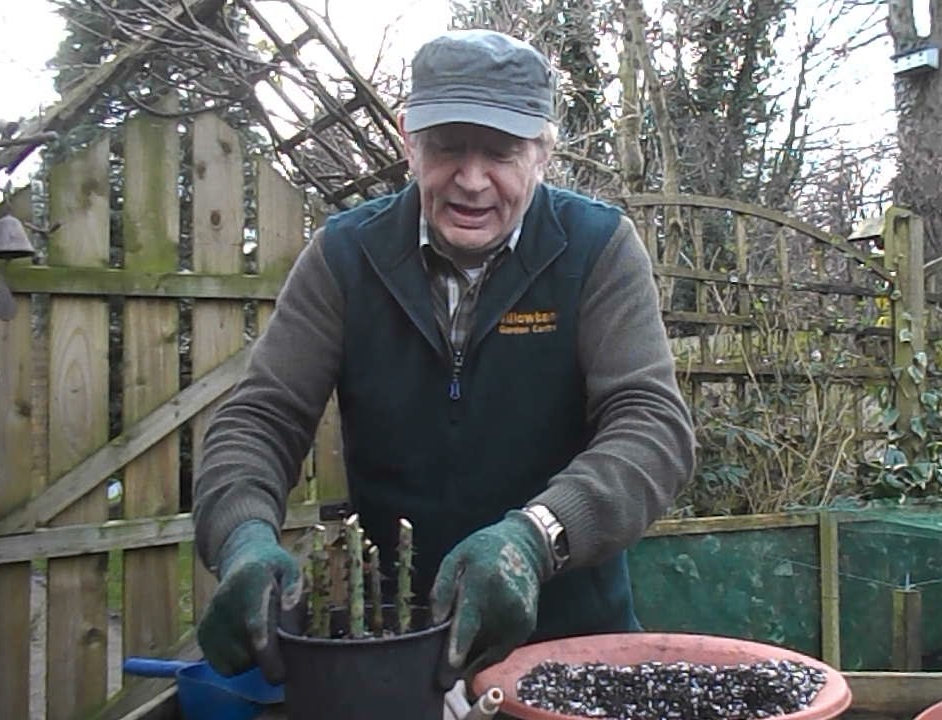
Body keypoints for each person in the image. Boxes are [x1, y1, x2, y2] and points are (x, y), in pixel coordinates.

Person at [191, 28, 695, 691]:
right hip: (398, 655)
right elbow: (260, 418)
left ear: (543, 150)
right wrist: (242, 539)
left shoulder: (595, 250)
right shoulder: (347, 258)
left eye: (501, 152)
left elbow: (652, 428)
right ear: (409, 140)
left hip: (573, 647)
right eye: (448, 147)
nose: (472, 179)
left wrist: (536, 538)